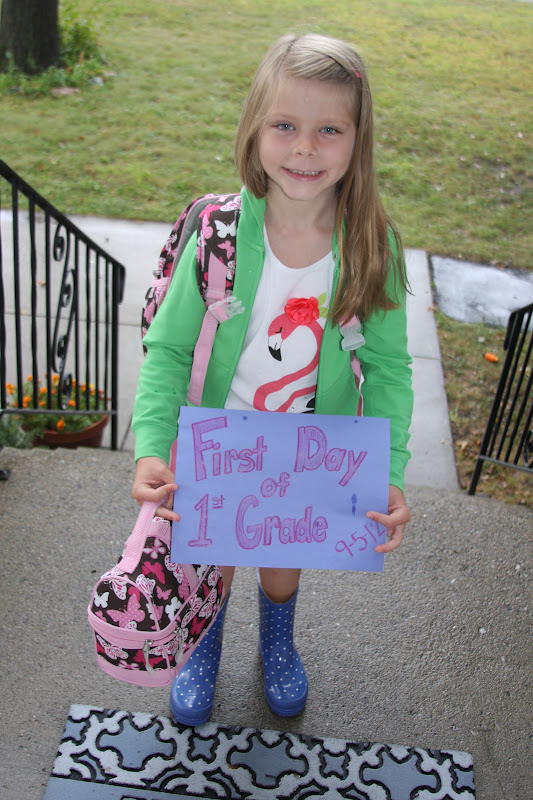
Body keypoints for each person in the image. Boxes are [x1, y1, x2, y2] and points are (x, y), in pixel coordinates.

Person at [131, 32, 413, 726]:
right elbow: (168, 352)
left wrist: (390, 468)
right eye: (285, 125)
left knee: (282, 562)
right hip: (217, 447)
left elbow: (386, 368)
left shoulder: (370, 246)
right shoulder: (220, 236)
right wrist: (150, 446)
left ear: (357, 138)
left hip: (308, 457)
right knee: (215, 559)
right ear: (255, 130)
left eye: (328, 130)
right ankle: (202, 642)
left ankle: (277, 643)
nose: (305, 149)